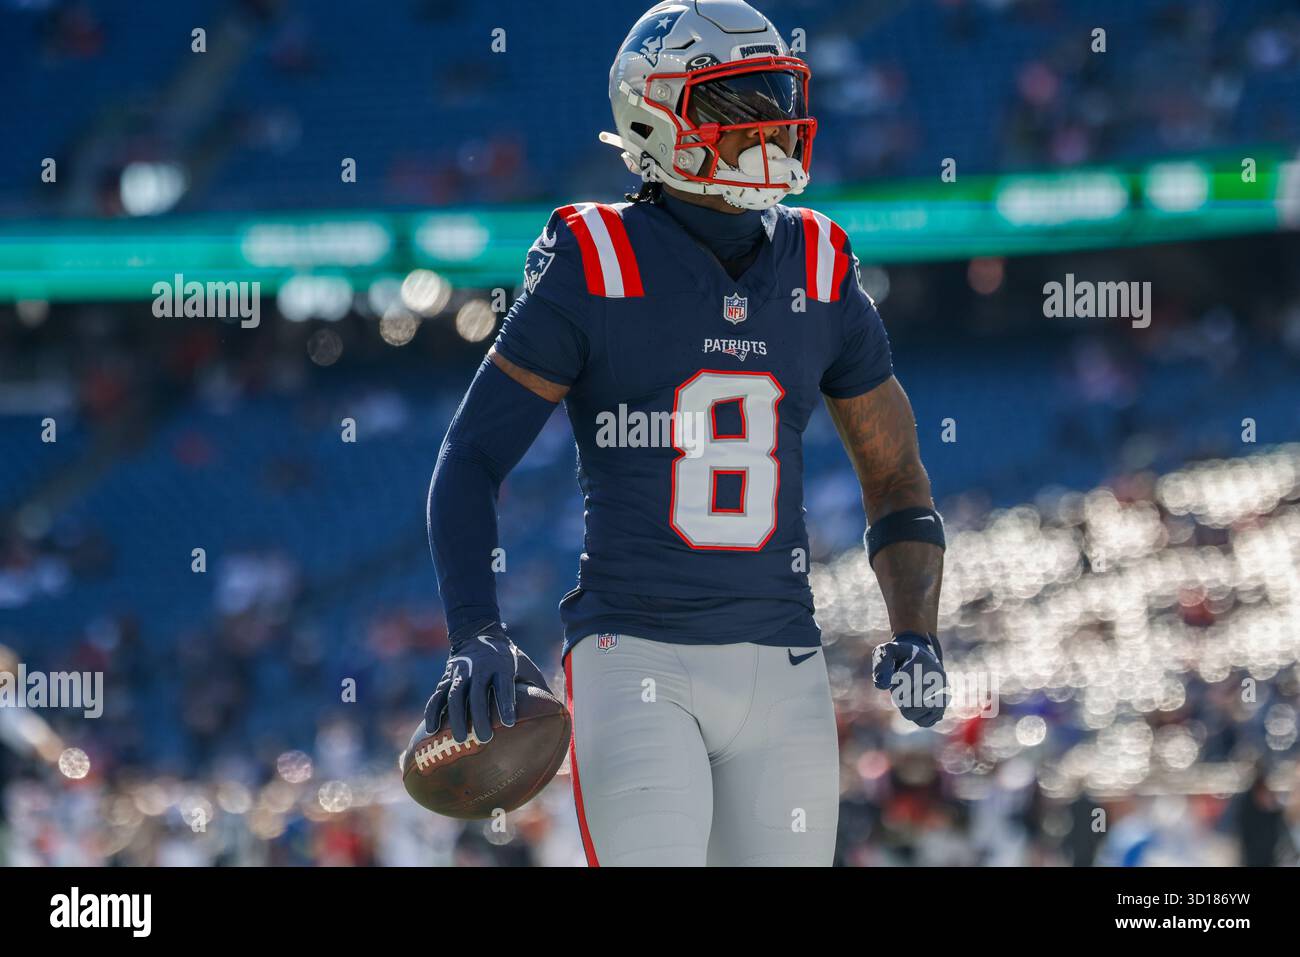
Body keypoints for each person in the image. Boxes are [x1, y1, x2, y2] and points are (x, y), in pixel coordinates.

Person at [422, 0, 946, 866]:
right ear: (652, 115)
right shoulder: (598, 258)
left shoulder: (821, 262)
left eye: (775, 96)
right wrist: (474, 627)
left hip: (784, 658)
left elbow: (896, 475)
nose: (769, 126)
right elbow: (471, 455)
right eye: (736, 105)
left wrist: (916, 629)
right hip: (635, 654)